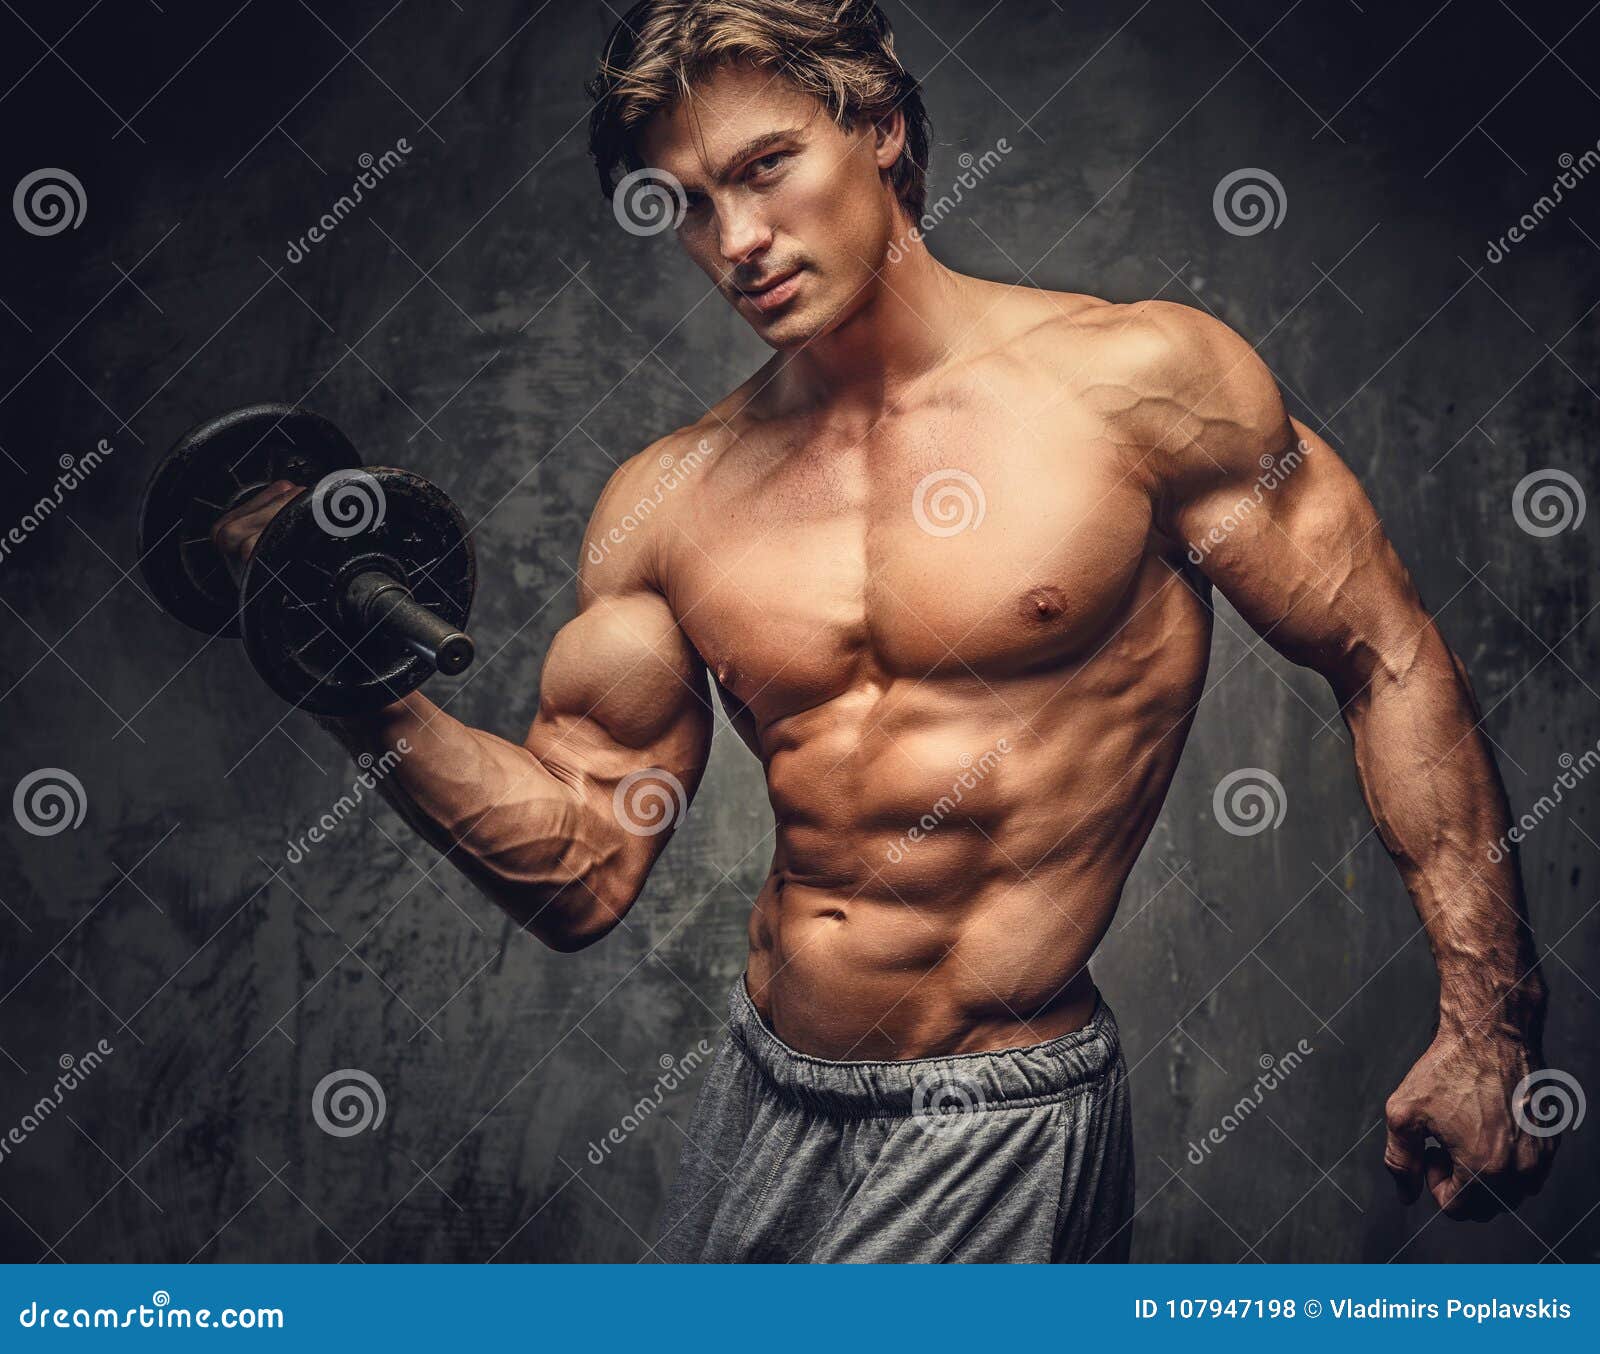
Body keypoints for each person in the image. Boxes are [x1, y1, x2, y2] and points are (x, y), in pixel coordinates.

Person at [212, 0, 1554, 1261]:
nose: (734, 238)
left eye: (766, 166)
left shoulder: (1139, 389)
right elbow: (580, 866)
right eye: (686, 205)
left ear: (881, 126)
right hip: (761, 1098)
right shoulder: (666, 502)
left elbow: (1384, 653)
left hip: (996, 1120)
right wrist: (349, 677)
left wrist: (1487, 1030)